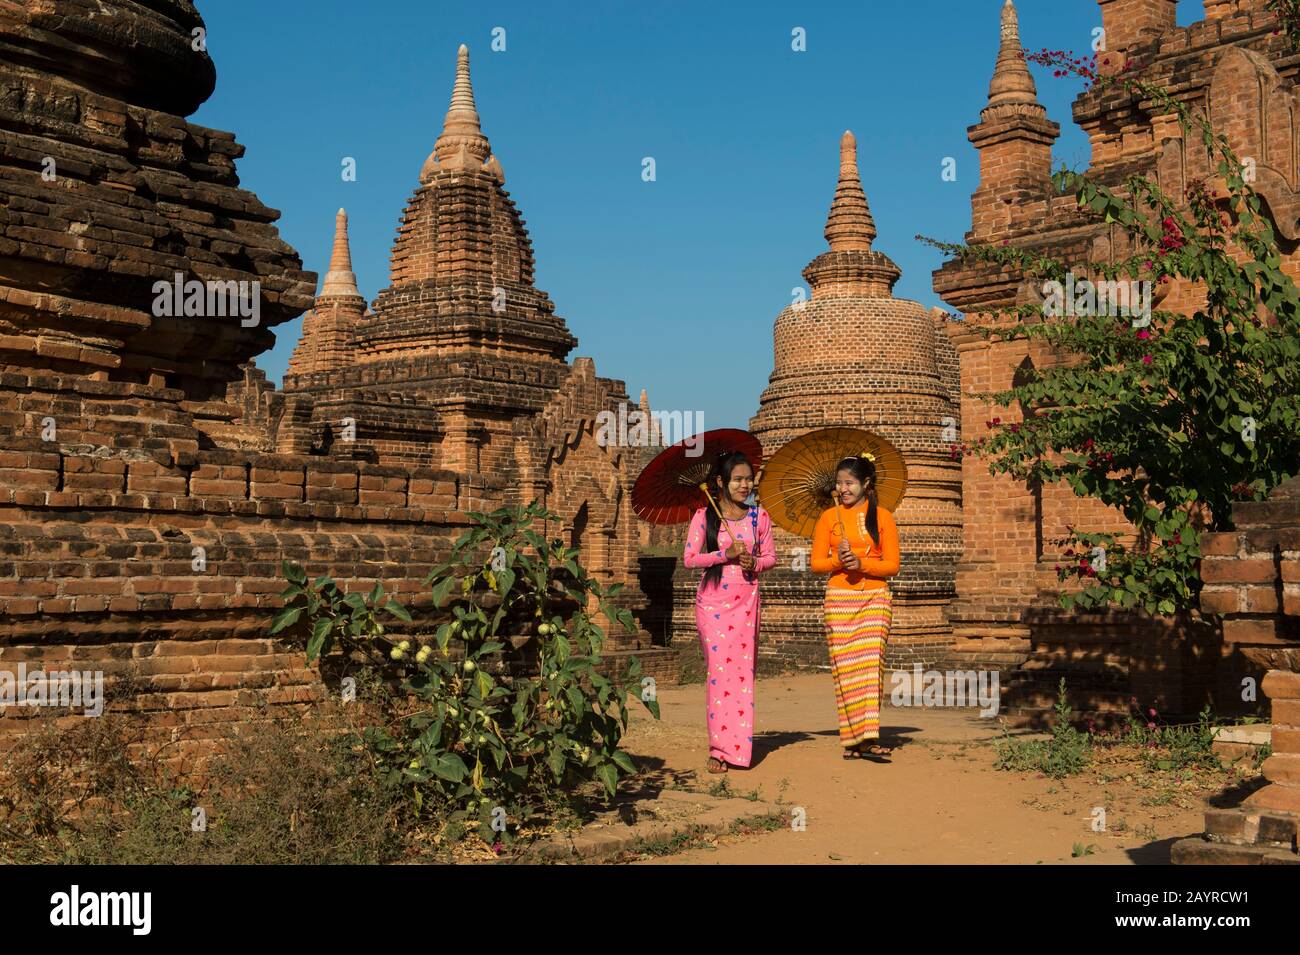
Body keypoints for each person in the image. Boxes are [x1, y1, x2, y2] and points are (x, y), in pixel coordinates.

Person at [682, 451, 776, 773]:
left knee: (742, 676)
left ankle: (739, 749)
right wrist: (725, 554)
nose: (745, 485)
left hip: (746, 600)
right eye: (737, 479)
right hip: (713, 602)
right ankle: (719, 749)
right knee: (720, 674)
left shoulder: (758, 517)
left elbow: (771, 558)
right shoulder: (703, 517)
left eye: (748, 479)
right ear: (720, 482)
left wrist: (754, 562)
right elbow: (690, 559)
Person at [810, 453, 900, 759]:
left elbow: (892, 565)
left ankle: (869, 738)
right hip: (839, 598)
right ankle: (851, 740)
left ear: (866, 484)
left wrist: (863, 564)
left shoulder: (883, 516)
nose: (843, 489)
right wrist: (839, 560)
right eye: (839, 483)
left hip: (874, 596)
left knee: (870, 667)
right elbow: (816, 563)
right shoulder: (827, 518)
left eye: (850, 483)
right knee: (845, 670)